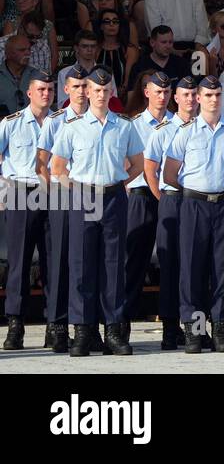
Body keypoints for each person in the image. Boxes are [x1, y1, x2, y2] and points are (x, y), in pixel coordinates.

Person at [48, 67, 145, 356]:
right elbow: (56, 167)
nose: (101, 95)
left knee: (113, 265)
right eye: (96, 90)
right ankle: (82, 332)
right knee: (80, 265)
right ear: (87, 92)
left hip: (113, 195)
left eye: (106, 90)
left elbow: (137, 164)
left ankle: (113, 330)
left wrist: (117, 184)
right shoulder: (71, 127)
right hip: (82, 196)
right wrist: (77, 190)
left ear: (111, 92)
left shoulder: (125, 126)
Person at [162, 74, 224, 353]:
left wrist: (217, 186)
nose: (213, 100)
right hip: (193, 204)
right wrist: (196, 189)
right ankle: (194, 329)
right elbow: (169, 173)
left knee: (222, 268)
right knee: (191, 267)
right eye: (208, 96)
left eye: (217, 96)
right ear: (198, 98)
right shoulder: (185, 132)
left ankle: (221, 328)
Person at [0, 69, 56, 350]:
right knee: (19, 262)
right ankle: (15, 324)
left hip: (55, 196)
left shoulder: (62, 123)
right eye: (41, 90)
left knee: (54, 262)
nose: (46, 94)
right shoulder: (11, 123)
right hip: (21, 193)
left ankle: (54, 324)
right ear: (30, 92)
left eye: (50, 90)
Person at [122, 72, 173, 337]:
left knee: (172, 259)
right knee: (134, 260)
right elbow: (126, 165)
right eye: (158, 92)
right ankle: (124, 317)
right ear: (146, 93)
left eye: (166, 92)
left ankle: (171, 321)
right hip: (142, 196)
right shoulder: (134, 125)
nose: (162, 97)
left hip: (171, 197)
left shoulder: (180, 123)